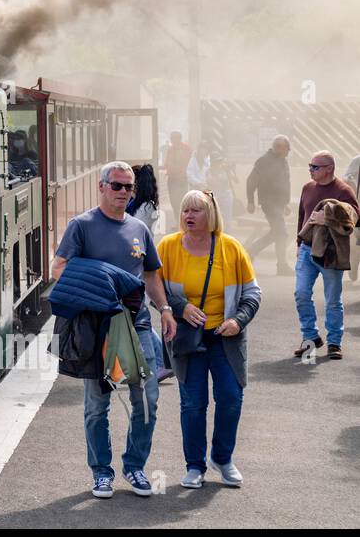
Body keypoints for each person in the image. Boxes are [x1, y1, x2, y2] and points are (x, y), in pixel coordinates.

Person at [51, 161, 176, 499]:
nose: (123, 192)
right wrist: (102, 279)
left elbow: (151, 274)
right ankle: (101, 473)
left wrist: (164, 308)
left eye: (129, 187)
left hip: (137, 326)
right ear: (101, 186)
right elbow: (59, 269)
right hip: (97, 327)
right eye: (117, 185)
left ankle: (135, 467)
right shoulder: (81, 226)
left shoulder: (139, 229)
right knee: (97, 405)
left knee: (147, 400)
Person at [159, 190, 260, 488]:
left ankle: (223, 458)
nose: (189, 216)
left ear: (211, 214)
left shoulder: (231, 248)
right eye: (185, 210)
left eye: (196, 210)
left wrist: (237, 321)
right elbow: (154, 289)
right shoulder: (167, 246)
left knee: (230, 397)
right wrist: (180, 307)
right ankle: (194, 466)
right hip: (188, 339)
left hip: (225, 337)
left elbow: (253, 293)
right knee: (193, 403)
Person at [293, 151, 359, 360]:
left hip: (330, 252)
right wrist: (298, 243)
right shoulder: (307, 188)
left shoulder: (343, 191)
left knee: (332, 300)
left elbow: (355, 218)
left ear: (329, 168)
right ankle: (311, 339)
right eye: (310, 166)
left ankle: (334, 342)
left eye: (315, 167)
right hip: (306, 248)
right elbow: (302, 216)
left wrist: (328, 218)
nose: (310, 170)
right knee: (301, 294)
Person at [127, 164, 173, 382]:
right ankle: (159, 363)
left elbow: (131, 233)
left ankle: (161, 363)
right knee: (137, 317)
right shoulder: (143, 204)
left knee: (137, 318)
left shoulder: (145, 209)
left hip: (138, 267)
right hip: (136, 267)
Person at [245, 135, 293, 276]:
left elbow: (285, 183)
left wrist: (286, 203)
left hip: (279, 203)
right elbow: (251, 181)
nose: (288, 152)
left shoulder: (283, 161)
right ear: (278, 148)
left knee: (276, 233)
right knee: (282, 233)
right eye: (286, 149)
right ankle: (282, 266)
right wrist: (250, 201)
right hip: (269, 202)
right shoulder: (264, 161)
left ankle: (250, 252)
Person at [162, 132, 191, 231]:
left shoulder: (186, 149)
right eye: (172, 139)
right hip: (172, 178)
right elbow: (167, 163)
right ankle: (177, 222)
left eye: (174, 139)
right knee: (174, 201)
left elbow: (187, 163)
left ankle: (184, 222)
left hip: (182, 178)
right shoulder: (170, 150)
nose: (173, 141)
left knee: (182, 201)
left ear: (179, 139)